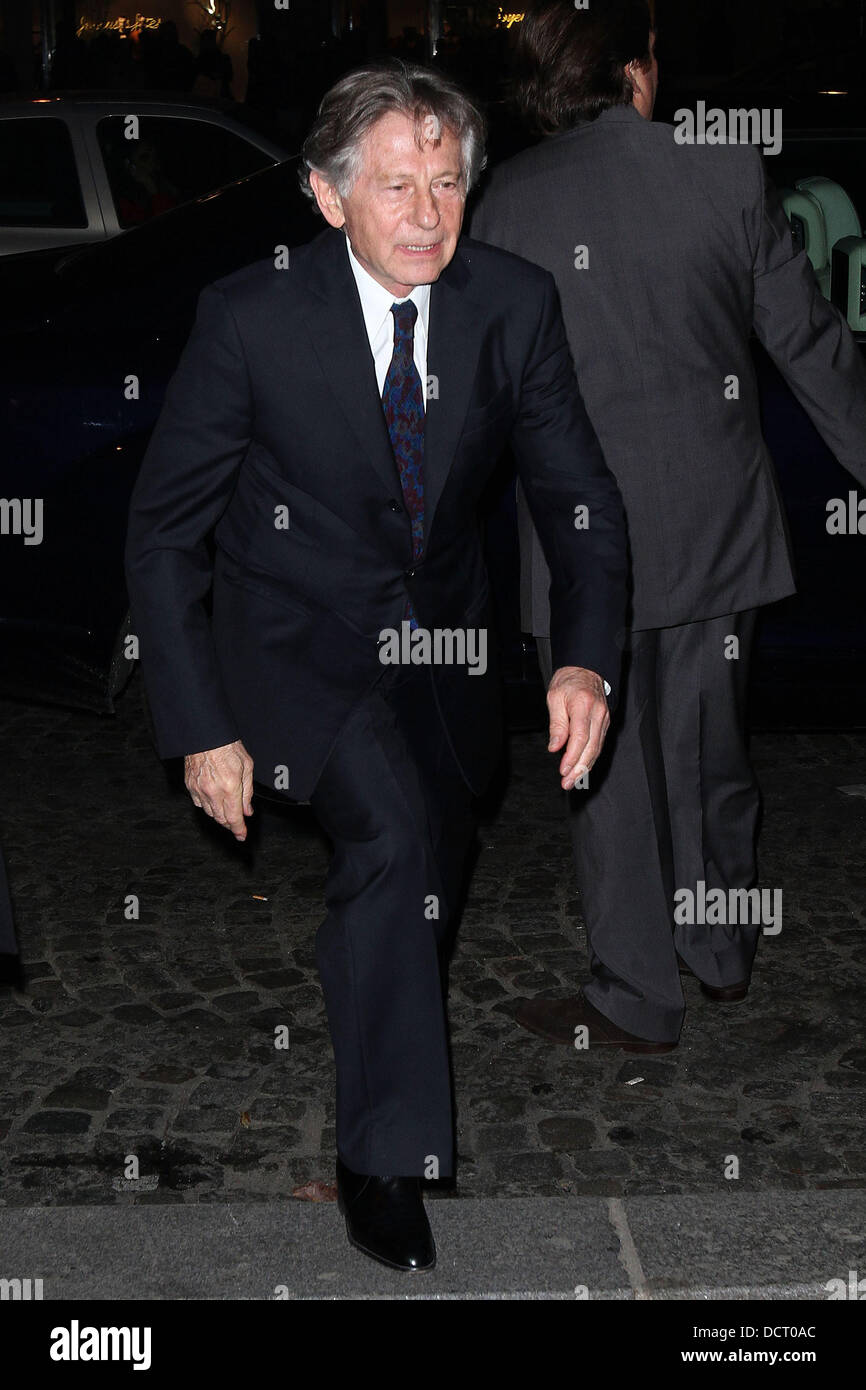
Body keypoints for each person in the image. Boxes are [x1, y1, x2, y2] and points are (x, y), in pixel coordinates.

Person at [124, 60, 628, 1271]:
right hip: (293, 646)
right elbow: (163, 531)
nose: (424, 215)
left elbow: (578, 502)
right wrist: (199, 723)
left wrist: (585, 664)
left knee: (426, 866)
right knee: (395, 838)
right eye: (395, 185)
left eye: (446, 182)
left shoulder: (509, 305)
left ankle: (371, 973)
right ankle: (383, 1158)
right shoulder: (253, 318)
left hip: (444, 650)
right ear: (325, 194)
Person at [472, 0, 866, 1051]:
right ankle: (721, 949)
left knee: (602, 773)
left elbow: (479, 391)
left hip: (573, 542)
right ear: (638, 74)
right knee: (710, 753)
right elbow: (810, 345)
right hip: (714, 527)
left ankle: (638, 994)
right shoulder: (719, 170)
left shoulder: (503, 199)